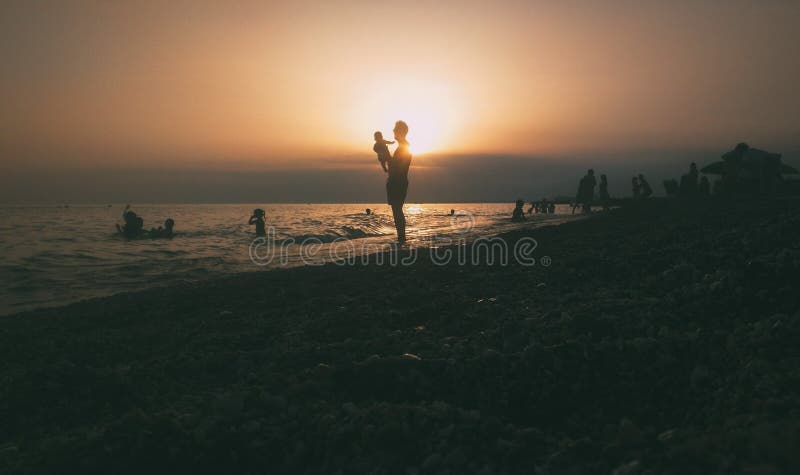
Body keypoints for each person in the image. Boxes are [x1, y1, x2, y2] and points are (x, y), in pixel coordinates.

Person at [386, 120, 412, 244]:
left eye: (395, 129)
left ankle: (401, 238)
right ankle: (401, 237)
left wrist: (387, 159)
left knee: (397, 210)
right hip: (398, 182)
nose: (393, 131)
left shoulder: (403, 148)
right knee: (397, 210)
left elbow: (397, 168)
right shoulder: (403, 147)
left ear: (401, 132)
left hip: (398, 182)